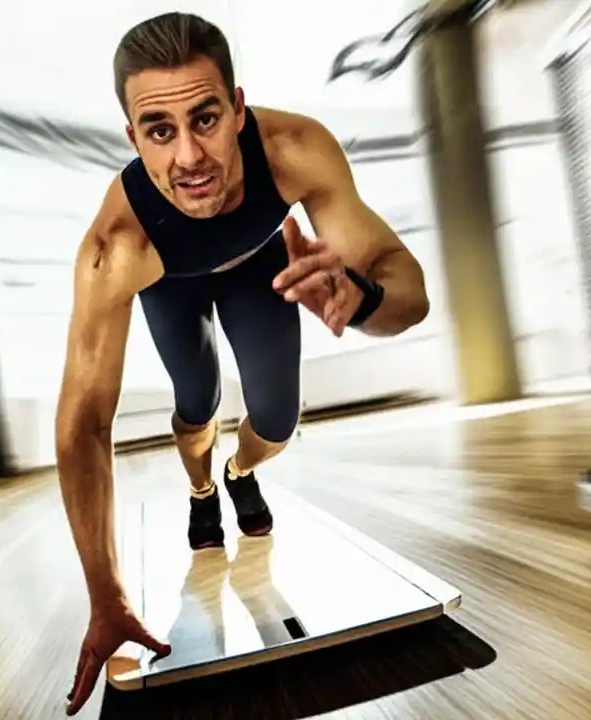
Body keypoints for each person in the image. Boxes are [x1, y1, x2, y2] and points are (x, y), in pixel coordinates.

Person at [56, 11, 431, 715]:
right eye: (161, 132)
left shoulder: (296, 149)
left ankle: (238, 473)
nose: (190, 157)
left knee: (279, 419)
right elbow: (82, 428)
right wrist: (105, 595)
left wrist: (361, 295)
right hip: (168, 282)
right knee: (195, 401)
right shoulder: (118, 244)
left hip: (260, 266)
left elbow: (410, 298)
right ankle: (203, 491)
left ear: (237, 107)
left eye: (205, 118)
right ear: (133, 138)